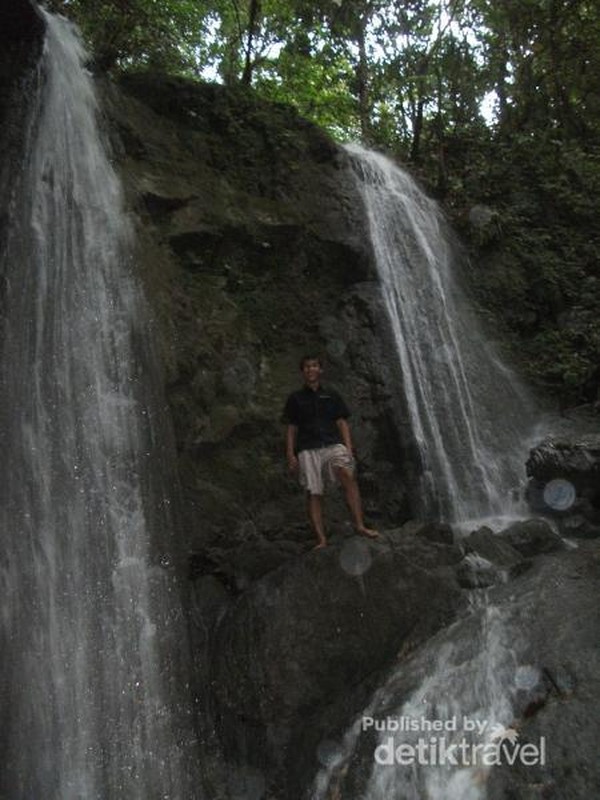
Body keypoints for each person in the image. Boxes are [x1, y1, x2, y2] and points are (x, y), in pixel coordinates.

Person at [282, 355, 379, 549]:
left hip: (332, 443)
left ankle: (360, 525)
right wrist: (290, 455)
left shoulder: (332, 395)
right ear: (303, 371)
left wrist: (349, 447)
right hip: (308, 448)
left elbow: (341, 422)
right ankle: (321, 539)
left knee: (347, 474)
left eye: (315, 366)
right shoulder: (295, 399)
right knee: (314, 491)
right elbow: (291, 428)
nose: (311, 369)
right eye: (307, 366)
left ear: (320, 370)